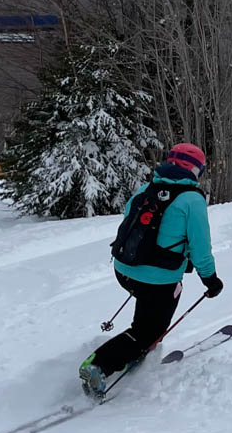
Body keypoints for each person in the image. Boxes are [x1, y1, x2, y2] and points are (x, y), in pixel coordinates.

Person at [79, 142, 223, 396]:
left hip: (124, 270)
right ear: (195, 169)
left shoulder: (147, 188)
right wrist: (210, 279)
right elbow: (201, 247)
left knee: (147, 313)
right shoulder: (192, 199)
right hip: (158, 278)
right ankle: (99, 365)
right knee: (150, 331)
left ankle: (132, 350)